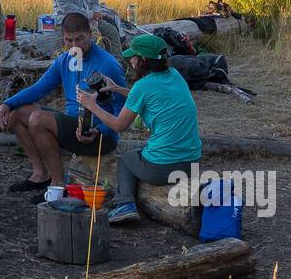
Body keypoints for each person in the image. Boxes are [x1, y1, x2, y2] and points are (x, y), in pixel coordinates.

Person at [0, 11, 126, 200]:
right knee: (17, 113)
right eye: (69, 40)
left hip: (99, 135)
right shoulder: (64, 60)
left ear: (90, 34)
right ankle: (41, 175)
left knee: (38, 119)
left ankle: (58, 186)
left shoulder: (108, 65)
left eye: (80, 39)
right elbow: (39, 88)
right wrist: (7, 104)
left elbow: (122, 112)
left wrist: (99, 130)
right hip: (74, 125)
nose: (74, 46)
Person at [75, 33, 202, 226]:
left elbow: (119, 126)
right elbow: (151, 98)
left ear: (142, 61)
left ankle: (124, 204)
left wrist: (92, 106)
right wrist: (118, 88)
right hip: (193, 163)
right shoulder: (174, 75)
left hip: (163, 167)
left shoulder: (143, 86)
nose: (131, 60)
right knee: (142, 152)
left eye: (133, 56)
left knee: (127, 159)